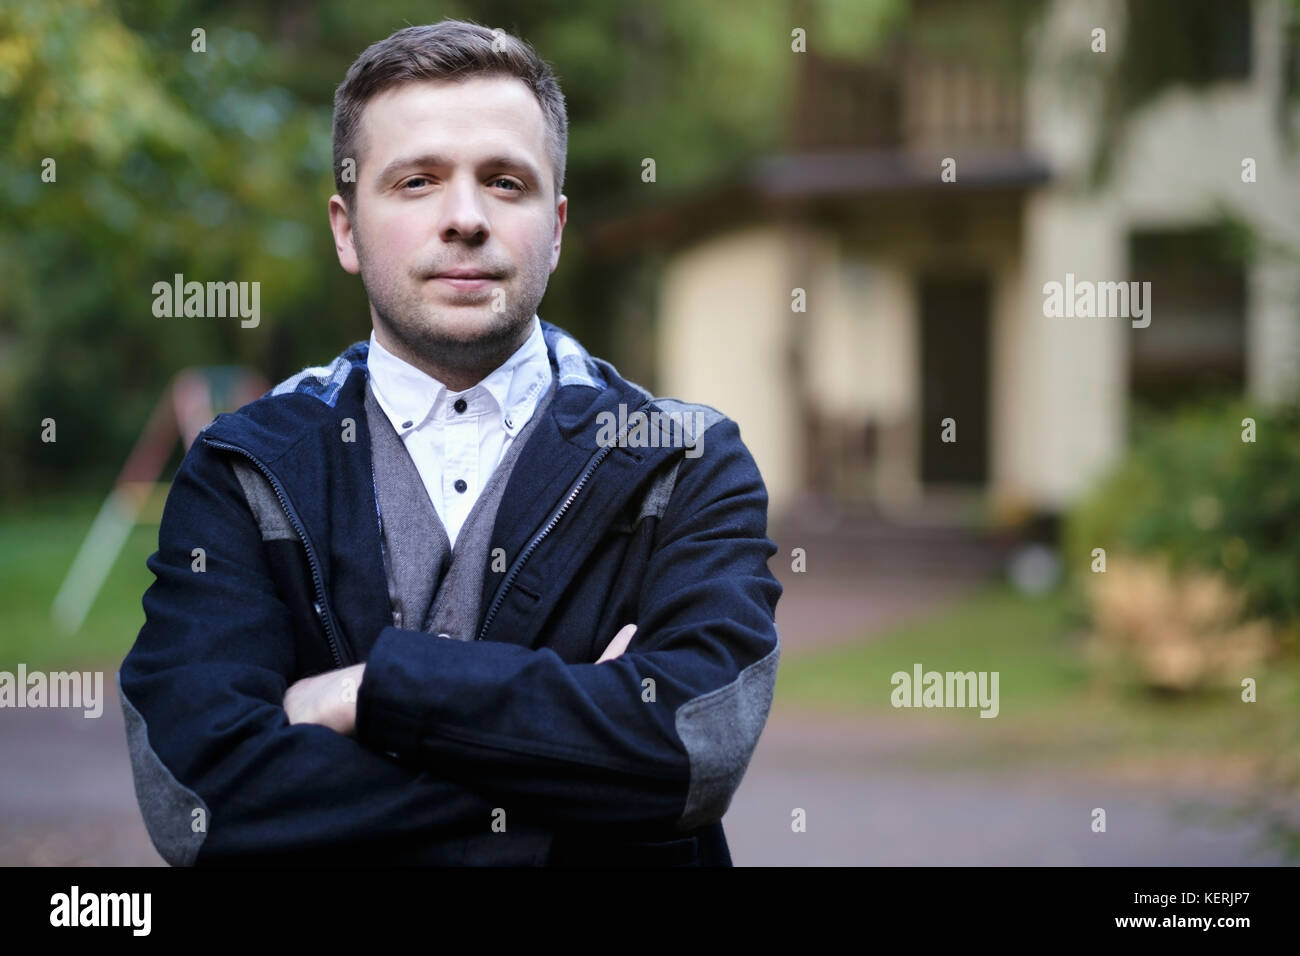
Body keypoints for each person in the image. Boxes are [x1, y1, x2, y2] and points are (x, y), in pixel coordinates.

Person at [118, 19, 782, 867]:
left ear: (557, 225)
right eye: (418, 181)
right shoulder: (242, 470)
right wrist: (586, 777)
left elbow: (689, 750)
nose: (465, 218)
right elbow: (199, 800)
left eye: (506, 183)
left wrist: (369, 694)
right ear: (346, 228)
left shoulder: (683, 462)